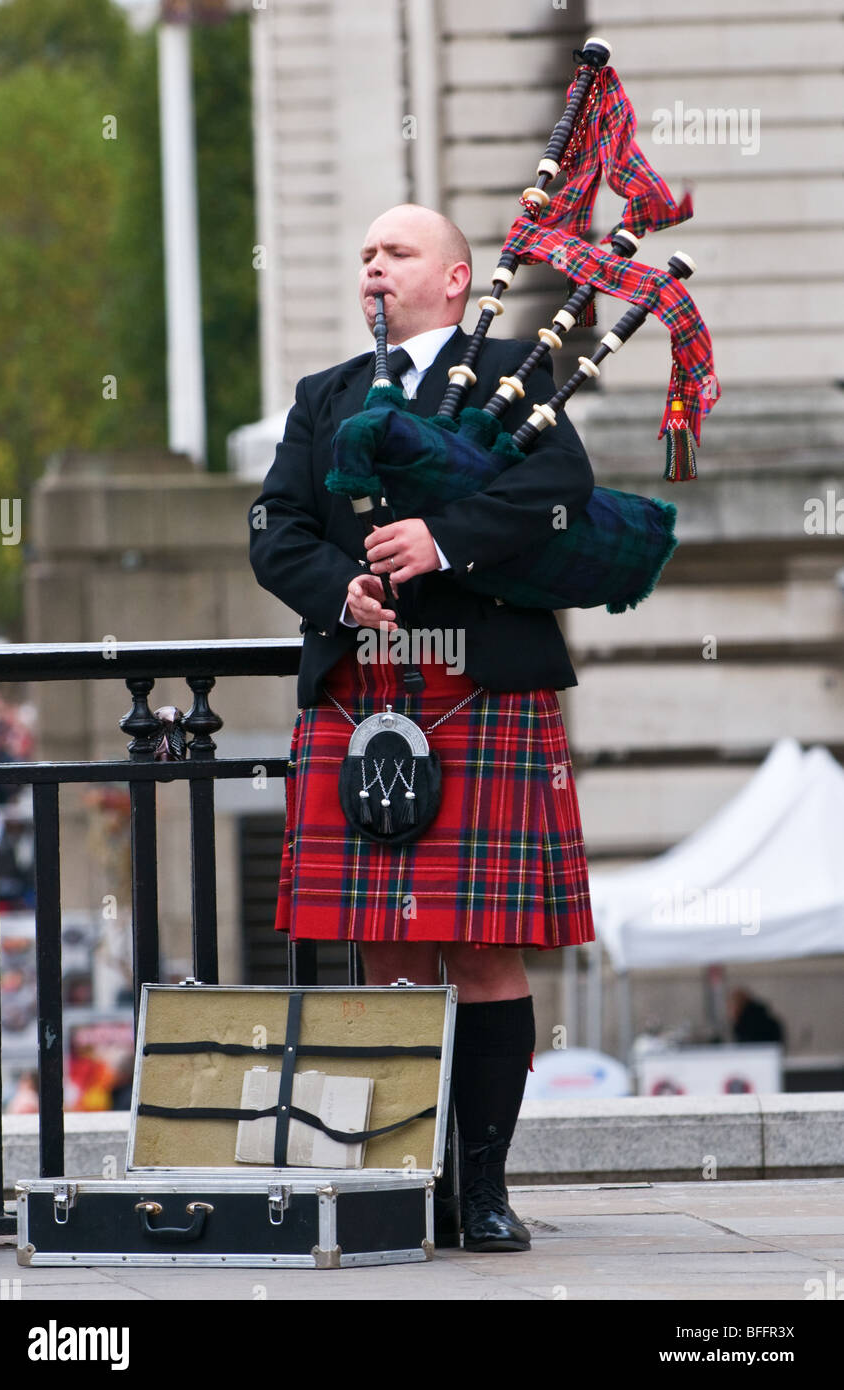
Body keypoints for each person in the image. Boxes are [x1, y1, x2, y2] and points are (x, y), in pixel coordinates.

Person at [249, 203, 596, 1251]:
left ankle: (479, 1190)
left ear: (453, 280)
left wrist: (442, 538)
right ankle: (403, 1183)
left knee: (484, 949)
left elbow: (561, 496)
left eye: (395, 252)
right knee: (386, 950)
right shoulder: (326, 398)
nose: (373, 267)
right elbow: (275, 528)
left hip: (477, 685)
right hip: (364, 693)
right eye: (364, 253)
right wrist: (335, 591)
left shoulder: (514, 376)